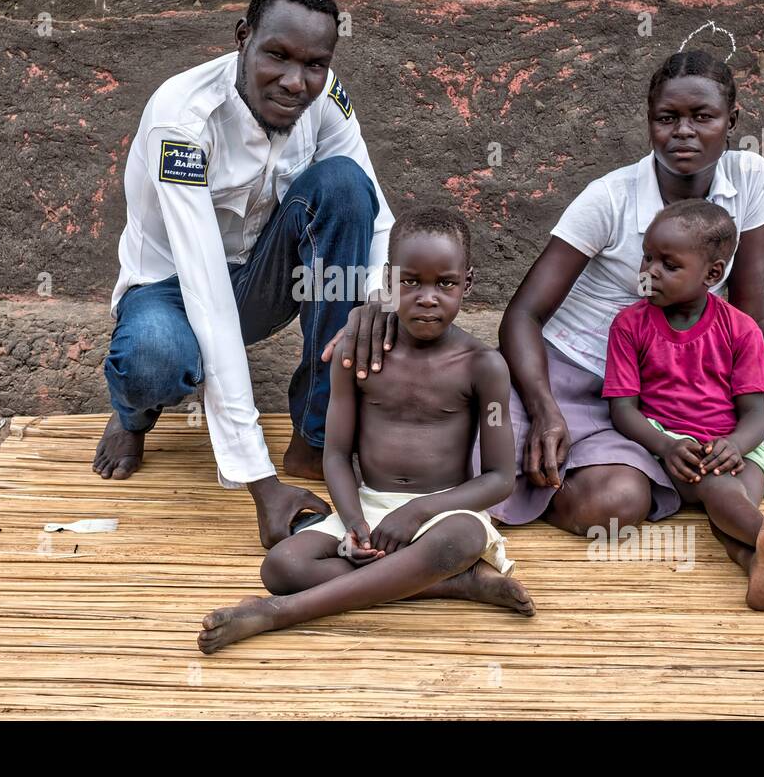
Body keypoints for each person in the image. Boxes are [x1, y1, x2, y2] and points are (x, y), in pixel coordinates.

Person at [485, 47, 764, 538]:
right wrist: (544, 409)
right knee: (614, 507)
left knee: (660, 489)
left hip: (659, 395)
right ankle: (552, 482)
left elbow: (753, 317)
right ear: (649, 122)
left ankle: (750, 540)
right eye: (667, 118)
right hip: (568, 379)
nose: (683, 131)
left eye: (702, 117)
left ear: (732, 120)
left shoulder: (748, 179)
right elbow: (523, 315)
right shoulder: (610, 198)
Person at [94, 0, 395, 549]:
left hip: (260, 280)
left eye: (314, 64)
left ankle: (315, 436)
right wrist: (260, 483)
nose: (294, 81)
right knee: (154, 360)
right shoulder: (181, 120)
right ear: (242, 38)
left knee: (344, 186)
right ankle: (133, 417)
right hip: (173, 288)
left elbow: (374, 213)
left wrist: (380, 297)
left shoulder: (326, 97)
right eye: (277, 56)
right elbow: (205, 289)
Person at [198, 207, 533, 654]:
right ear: (389, 279)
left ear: (466, 284)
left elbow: (499, 478)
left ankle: (278, 612)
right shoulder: (356, 355)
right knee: (282, 565)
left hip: (442, 513)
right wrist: (354, 523)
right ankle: (453, 584)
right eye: (411, 281)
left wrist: (416, 513)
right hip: (369, 507)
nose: (428, 297)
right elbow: (335, 455)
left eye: (445, 284)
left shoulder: (484, 367)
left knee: (463, 538)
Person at [603, 199, 764, 610]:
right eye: (647, 258)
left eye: (668, 265)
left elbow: (755, 416)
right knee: (720, 491)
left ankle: (760, 561)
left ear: (712, 274)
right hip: (670, 449)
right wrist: (664, 446)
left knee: (727, 505)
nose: (649, 272)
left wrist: (735, 443)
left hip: (736, 447)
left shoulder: (741, 330)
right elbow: (623, 410)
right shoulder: (629, 325)